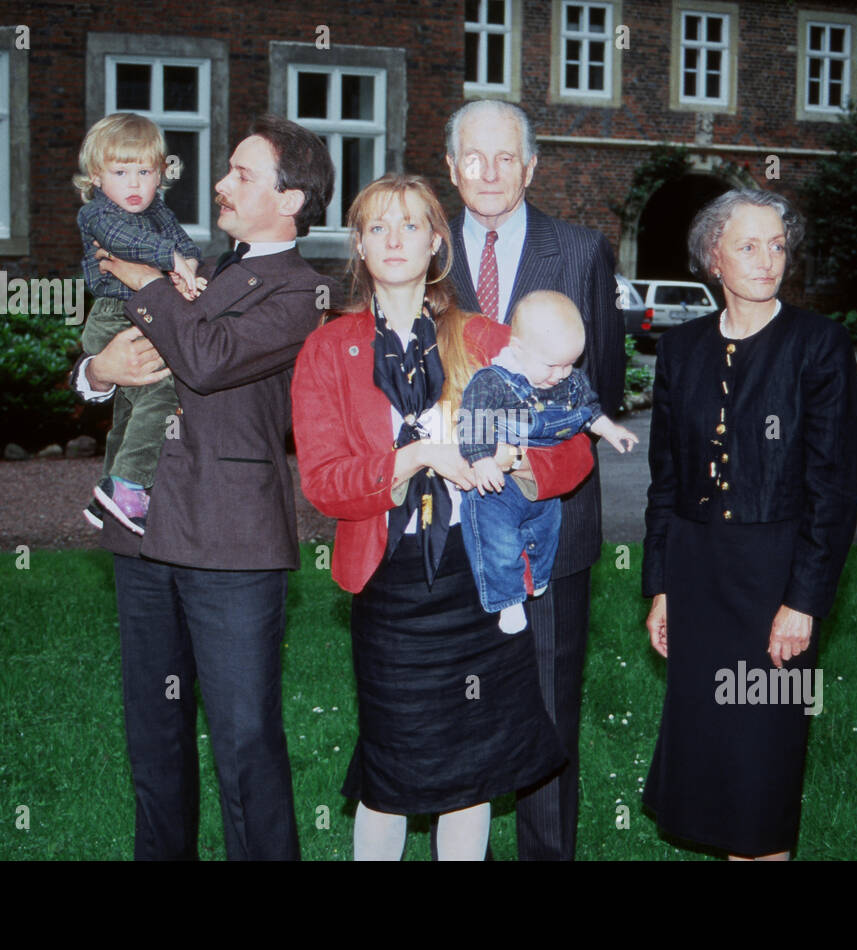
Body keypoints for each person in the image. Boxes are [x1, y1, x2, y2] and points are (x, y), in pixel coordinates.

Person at [290, 173, 594, 860]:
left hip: (481, 583)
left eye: (410, 225)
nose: (393, 240)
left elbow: (573, 452)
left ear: (437, 241)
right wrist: (417, 454)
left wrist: (516, 462)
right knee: (390, 774)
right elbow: (324, 486)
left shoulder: (485, 338)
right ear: (360, 247)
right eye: (376, 227)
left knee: (473, 773)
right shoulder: (326, 351)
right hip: (392, 585)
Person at [69, 114, 339, 860]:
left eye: (242, 175)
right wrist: (98, 373)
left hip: (234, 542)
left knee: (245, 741)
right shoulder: (196, 267)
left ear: (291, 200)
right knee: (154, 737)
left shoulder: (306, 293)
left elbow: (211, 358)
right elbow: (116, 364)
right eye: (226, 171)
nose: (219, 184)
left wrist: (147, 281)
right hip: (144, 531)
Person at [641, 188, 857, 860]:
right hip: (697, 574)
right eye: (749, 245)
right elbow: (666, 479)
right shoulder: (680, 348)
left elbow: (835, 487)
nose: (769, 259)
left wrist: (803, 602)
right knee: (711, 763)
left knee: (761, 777)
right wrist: (660, 585)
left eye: (778, 244)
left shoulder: (819, 345)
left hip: (775, 578)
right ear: (713, 257)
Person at [444, 98, 626, 861]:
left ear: (533, 165)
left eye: (506, 157)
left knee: (550, 711)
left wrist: (538, 465)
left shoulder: (582, 251)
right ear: (451, 168)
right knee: (456, 711)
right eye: (473, 159)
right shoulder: (418, 249)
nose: (489, 173)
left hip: (553, 526)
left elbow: (602, 386)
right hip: (445, 521)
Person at [459, 290, 637, 635]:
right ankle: (507, 599)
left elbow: (588, 411)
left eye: (570, 363)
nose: (561, 374)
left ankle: (537, 579)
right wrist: (481, 458)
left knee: (546, 531)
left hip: (542, 484)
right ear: (519, 350)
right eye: (552, 365)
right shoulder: (493, 381)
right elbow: (473, 418)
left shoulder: (569, 380)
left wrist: (610, 430)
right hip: (499, 486)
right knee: (498, 541)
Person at [72, 113, 202, 534]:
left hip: (145, 310)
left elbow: (185, 244)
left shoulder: (159, 211)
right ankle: (130, 483)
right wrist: (170, 262)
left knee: (132, 409)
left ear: (160, 175)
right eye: (120, 171)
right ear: (96, 176)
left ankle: (112, 489)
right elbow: (126, 242)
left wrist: (189, 267)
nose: (133, 184)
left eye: (144, 171)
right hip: (115, 315)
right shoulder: (96, 215)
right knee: (165, 387)